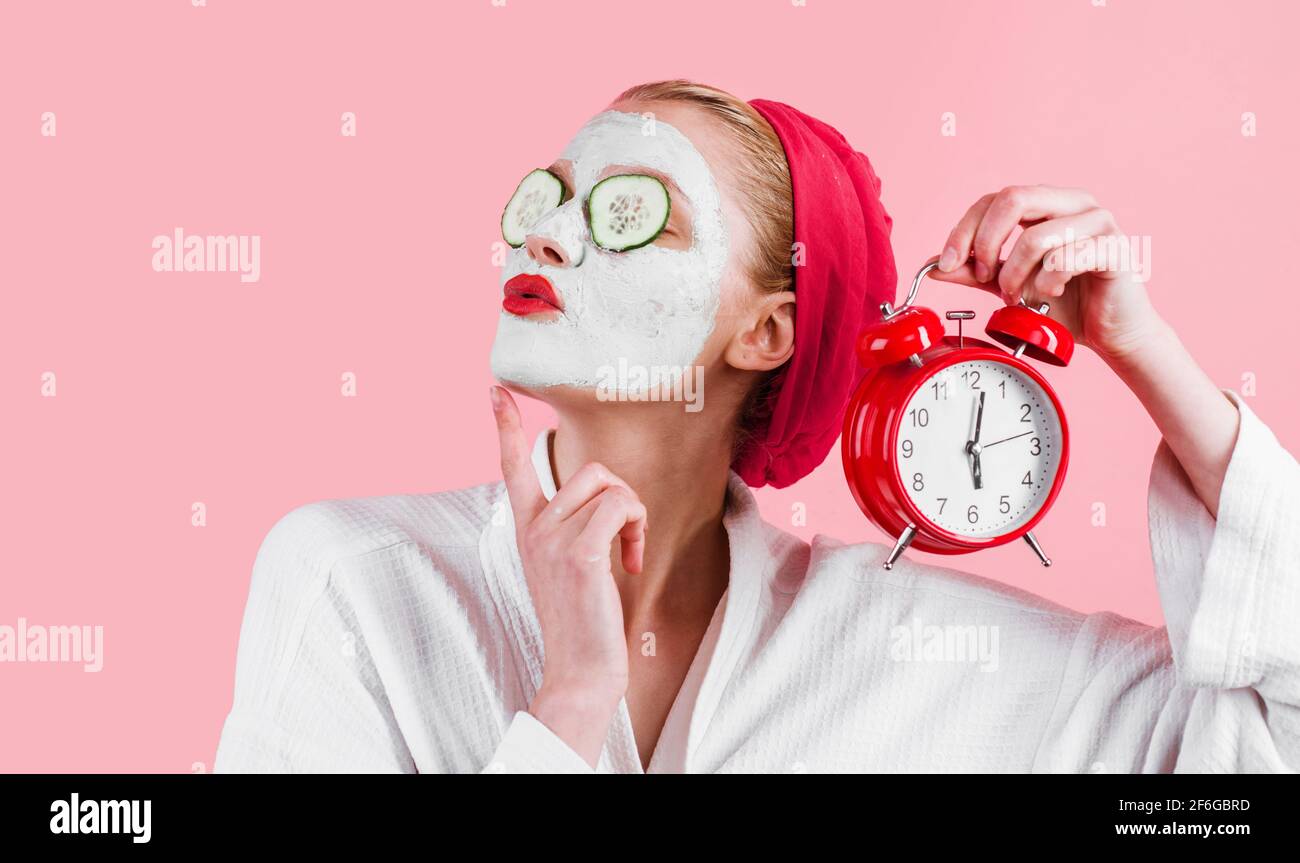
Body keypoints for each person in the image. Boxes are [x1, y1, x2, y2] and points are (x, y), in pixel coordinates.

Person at [214, 80, 1299, 773]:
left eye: (628, 210)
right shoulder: (353, 579)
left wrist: (1141, 348)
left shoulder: (928, 653)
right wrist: (572, 697)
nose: (543, 236)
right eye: (545, 194)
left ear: (769, 329)